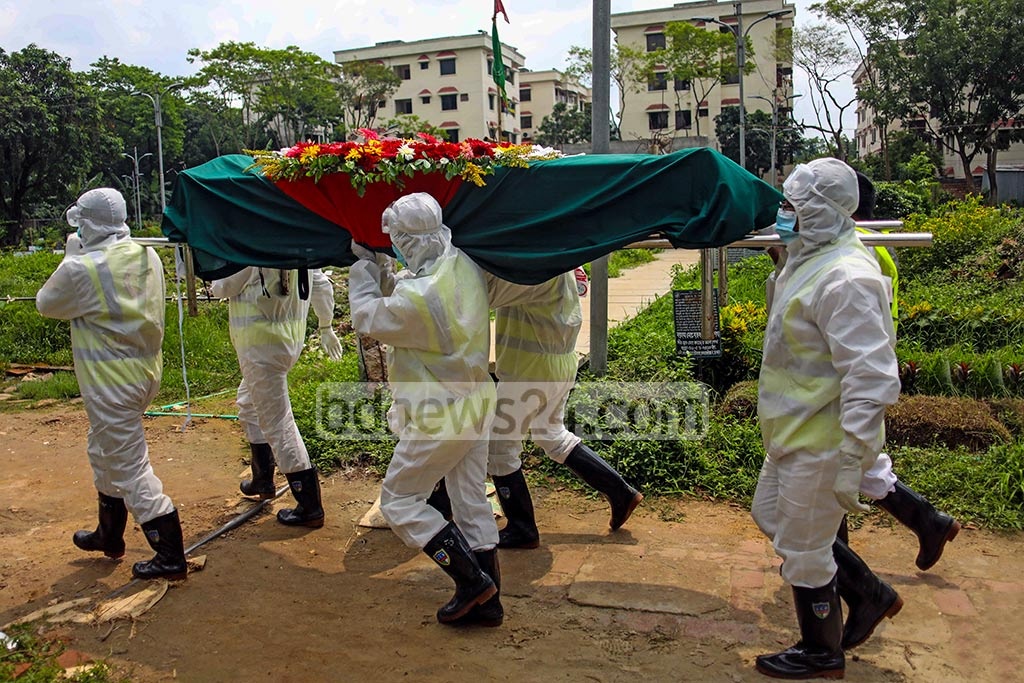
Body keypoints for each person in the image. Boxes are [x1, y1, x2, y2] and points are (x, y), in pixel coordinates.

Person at [751, 159, 901, 679]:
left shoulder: (847, 277)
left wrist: (853, 457)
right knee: (771, 515)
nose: (783, 215)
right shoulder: (807, 258)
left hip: (823, 438)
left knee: (805, 549)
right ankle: (870, 592)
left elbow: (872, 376)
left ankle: (821, 650)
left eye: (793, 207)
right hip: (793, 428)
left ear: (821, 212)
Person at [348, 193, 501, 627]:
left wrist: (362, 268)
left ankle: (472, 583)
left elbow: (367, 317)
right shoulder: (461, 263)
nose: (395, 248)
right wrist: (383, 268)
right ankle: (488, 604)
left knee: (399, 500)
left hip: (442, 416)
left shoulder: (421, 297)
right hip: (476, 402)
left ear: (410, 242)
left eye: (397, 241)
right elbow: (401, 292)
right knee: (470, 501)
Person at [37, 188, 187, 581]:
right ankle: (109, 533)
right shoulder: (146, 255)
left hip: (111, 384)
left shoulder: (80, 269)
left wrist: (72, 256)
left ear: (86, 223)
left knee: (130, 466)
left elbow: (46, 303)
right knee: (102, 449)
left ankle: (170, 552)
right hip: (143, 374)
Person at [484, 271, 644, 549]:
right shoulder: (557, 256)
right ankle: (620, 492)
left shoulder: (534, 268)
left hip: (529, 369)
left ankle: (522, 527)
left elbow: (483, 295)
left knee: (499, 447)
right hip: (555, 364)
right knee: (550, 433)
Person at [208, 267, 339, 527]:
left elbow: (222, 287)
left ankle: (309, 504)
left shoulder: (252, 247)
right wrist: (326, 326)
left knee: (278, 422)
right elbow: (323, 287)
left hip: (259, 347)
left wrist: (213, 267)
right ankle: (262, 478)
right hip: (288, 343)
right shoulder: (295, 243)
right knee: (248, 403)